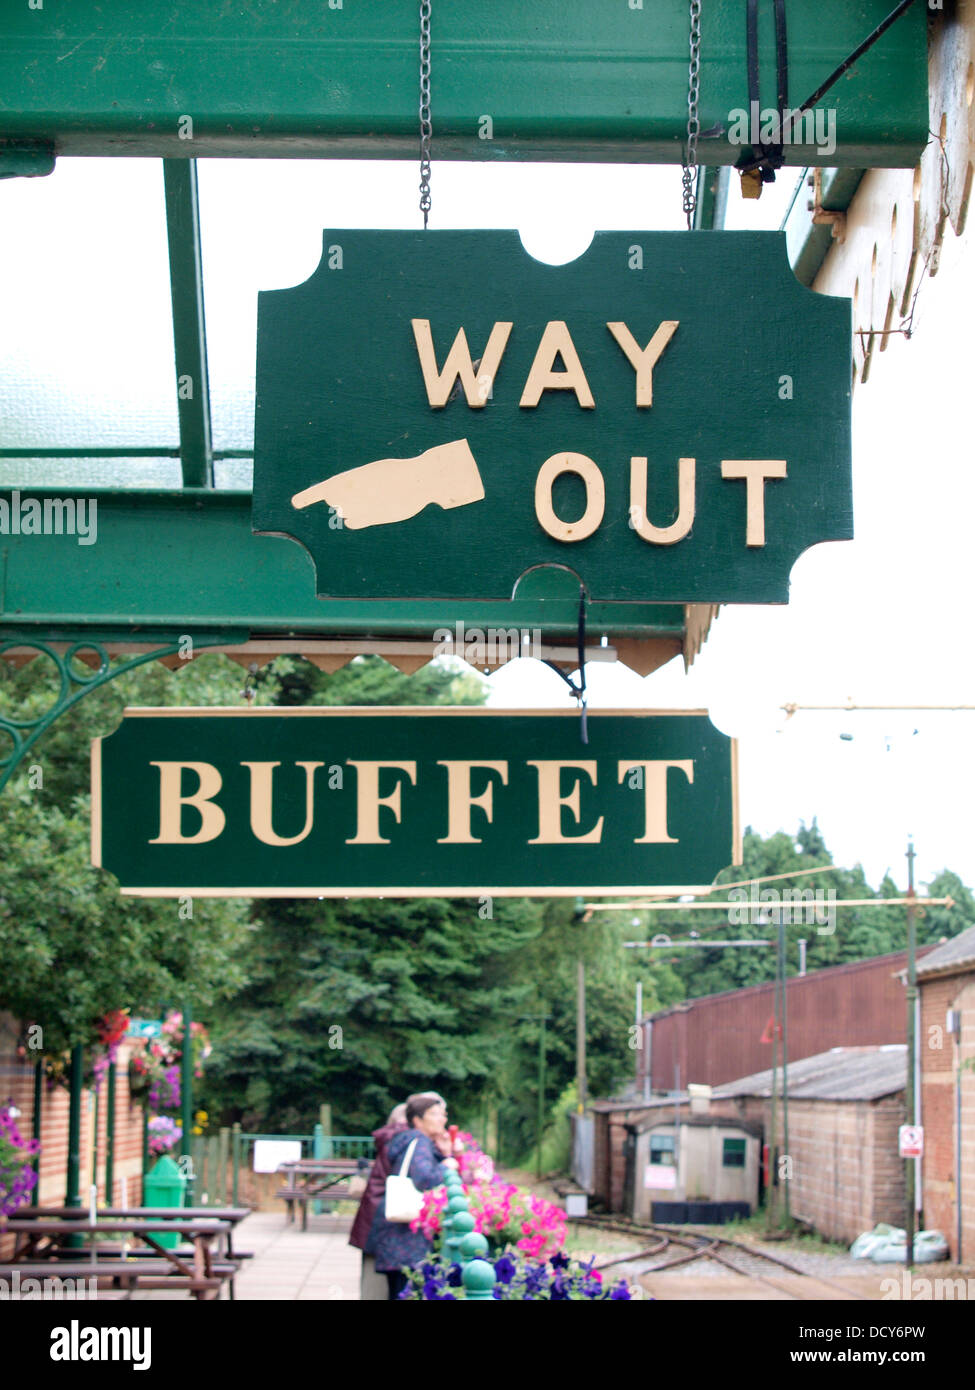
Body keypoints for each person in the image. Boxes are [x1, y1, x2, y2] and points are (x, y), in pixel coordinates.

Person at [369, 1093, 450, 1300]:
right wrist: (446, 1166)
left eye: (442, 1114)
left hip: (396, 1240)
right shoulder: (420, 1141)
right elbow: (424, 1179)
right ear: (417, 1120)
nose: (442, 1119)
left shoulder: (409, 1140)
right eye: (434, 1114)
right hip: (407, 1243)